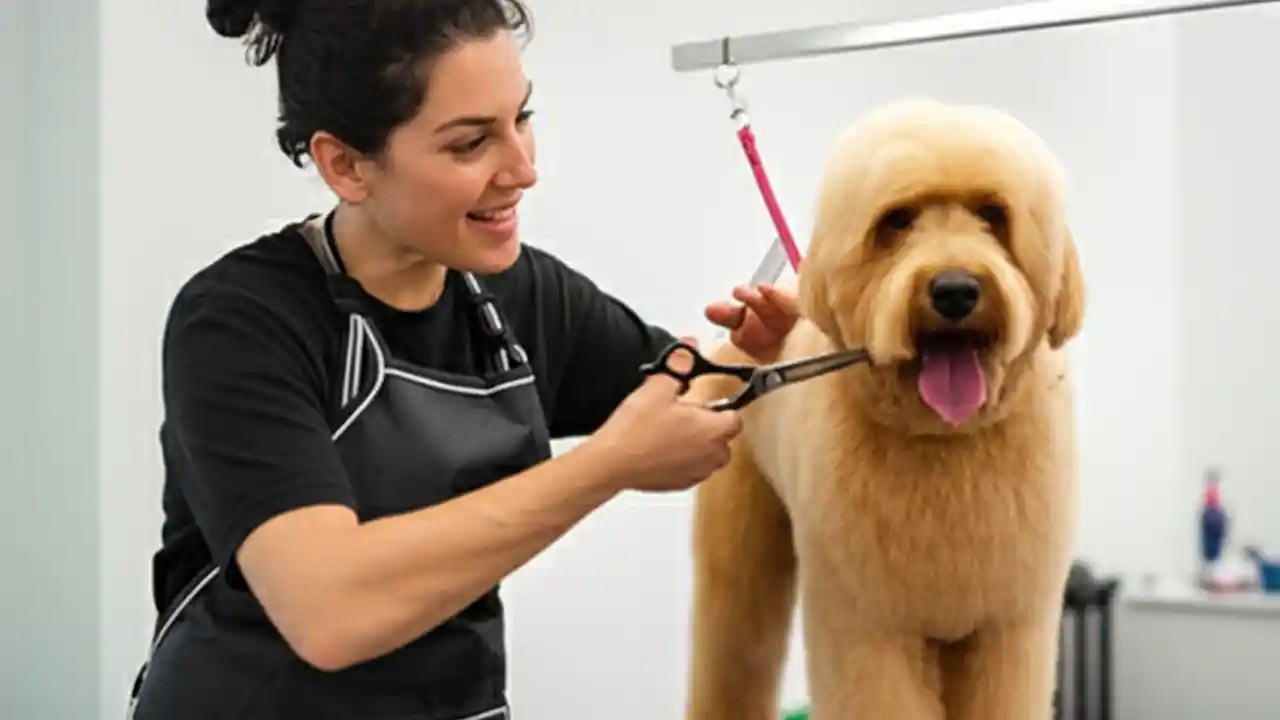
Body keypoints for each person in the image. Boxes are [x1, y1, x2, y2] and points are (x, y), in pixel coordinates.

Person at [127, 1, 801, 718]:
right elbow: (329, 609)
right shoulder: (242, 323)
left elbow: (681, 406)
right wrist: (608, 466)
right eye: (469, 144)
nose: (523, 169)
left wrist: (754, 358)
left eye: (524, 119)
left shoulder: (519, 296)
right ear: (346, 165)